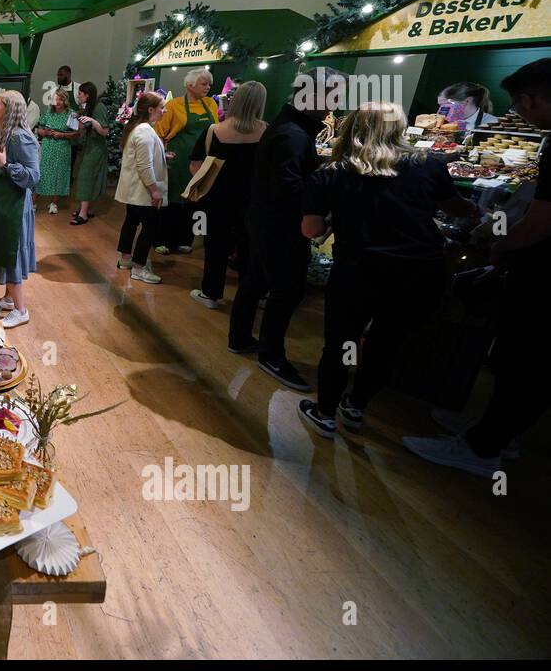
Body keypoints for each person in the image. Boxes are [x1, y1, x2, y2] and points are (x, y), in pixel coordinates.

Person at [296, 102, 480, 439]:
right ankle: (355, 407)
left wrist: (337, 217)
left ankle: (324, 414)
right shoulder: (427, 165)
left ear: (353, 128)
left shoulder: (331, 172)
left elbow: (311, 230)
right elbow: (458, 208)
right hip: (420, 271)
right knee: (386, 343)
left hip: (359, 270)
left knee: (340, 343)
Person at [404, 58, 551, 475]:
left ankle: (484, 447)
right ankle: (496, 431)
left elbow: (540, 223)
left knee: (525, 360)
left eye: (519, 104)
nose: (519, 112)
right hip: (535, 271)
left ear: (531, 99)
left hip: (541, 277)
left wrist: (500, 245)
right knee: (521, 361)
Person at [228, 67, 347, 391]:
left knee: (255, 279)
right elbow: (289, 187)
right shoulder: (292, 134)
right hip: (278, 225)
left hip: (264, 219)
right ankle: (270, 354)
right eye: (333, 95)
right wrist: (323, 187)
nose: (334, 104)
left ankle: (239, 338)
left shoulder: (289, 128)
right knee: (288, 290)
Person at [187, 81, 268, 309]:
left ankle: (211, 293)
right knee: (249, 248)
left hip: (218, 199)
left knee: (216, 246)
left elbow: (195, 165)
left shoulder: (215, 130)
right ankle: (252, 294)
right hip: (252, 200)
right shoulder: (266, 131)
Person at [0, 90, 40, 328]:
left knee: (11, 251)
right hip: (2, 206)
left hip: (14, 208)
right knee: (3, 249)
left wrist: (6, 164)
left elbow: (33, 176)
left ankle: (21, 309)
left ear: (9, 109)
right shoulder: (3, 134)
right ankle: (8, 298)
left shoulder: (19, 137)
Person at [155, 67, 219, 253]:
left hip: (203, 161)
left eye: (209, 84)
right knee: (172, 200)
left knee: (195, 201)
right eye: (203, 83)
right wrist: (163, 155)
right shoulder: (174, 105)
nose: (208, 87)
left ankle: (186, 240)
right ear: (190, 85)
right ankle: (162, 239)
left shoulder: (211, 104)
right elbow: (160, 134)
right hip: (178, 159)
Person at [115, 91, 168, 285]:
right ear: (151, 110)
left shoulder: (136, 128)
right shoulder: (144, 131)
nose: (165, 110)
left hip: (134, 190)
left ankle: (126, 258)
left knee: (131, 222)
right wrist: (155, 190)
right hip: (143, 190)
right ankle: (138, 267)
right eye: (162, 107)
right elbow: (144, 165)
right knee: (150, 227)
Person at [70, 81, 111, 225]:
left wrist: (93, 121)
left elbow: (105, 131)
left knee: (86, 177)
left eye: (80, 94)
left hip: (96, 149)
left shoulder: (99, 108)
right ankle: (85, 209)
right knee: (85, 177)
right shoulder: (87, 108)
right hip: (88, 147)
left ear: (87, 95)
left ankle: (83, 213)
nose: (78, 96)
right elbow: (83, 131)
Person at [35, 89, 79, 214]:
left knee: (60, 174)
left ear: (65, 100)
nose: (57, 102)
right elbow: (39, 129)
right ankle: (33, 201)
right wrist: (45, 132)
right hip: (48, 147)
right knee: (44, 173)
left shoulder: (71, 114)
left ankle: (54, 202)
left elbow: (76, 133)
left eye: (60, 99)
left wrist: (62, 135)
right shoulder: (49, 112)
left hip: (63, 148)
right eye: (56, 99)